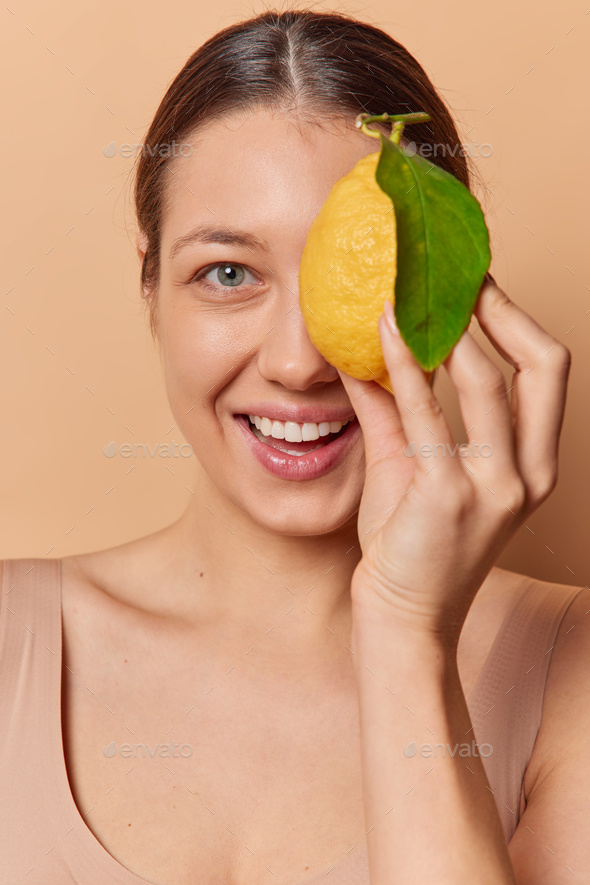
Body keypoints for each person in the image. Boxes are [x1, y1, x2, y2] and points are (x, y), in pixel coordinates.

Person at [1, 8, 589, 884]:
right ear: (150, 287)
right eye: (228, 273)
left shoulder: (571, 673)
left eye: (365, 276)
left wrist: (403, 629)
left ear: (455, 298)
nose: (298, 362)